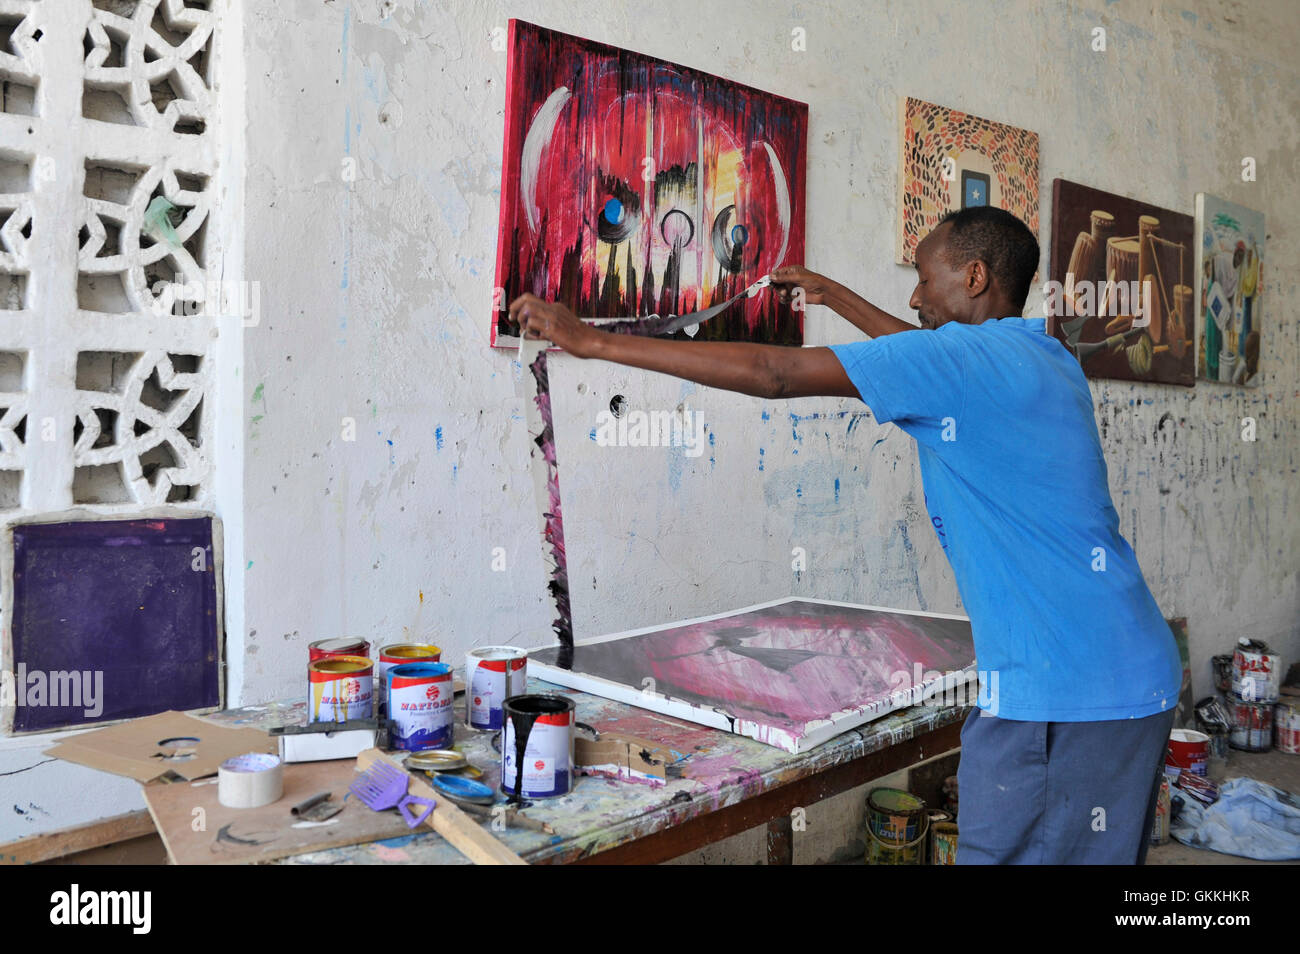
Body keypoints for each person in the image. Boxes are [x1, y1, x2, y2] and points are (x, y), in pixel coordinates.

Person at [510, 205, 1181, 864]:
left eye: (925, 277)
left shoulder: (961, 365)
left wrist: (594, 341)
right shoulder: (1042, 355)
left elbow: (776, 374)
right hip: (1128, 673)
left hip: (1063, 695)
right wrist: (834, 296)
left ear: (975, 277)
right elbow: (915, 353)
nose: (916, 295)